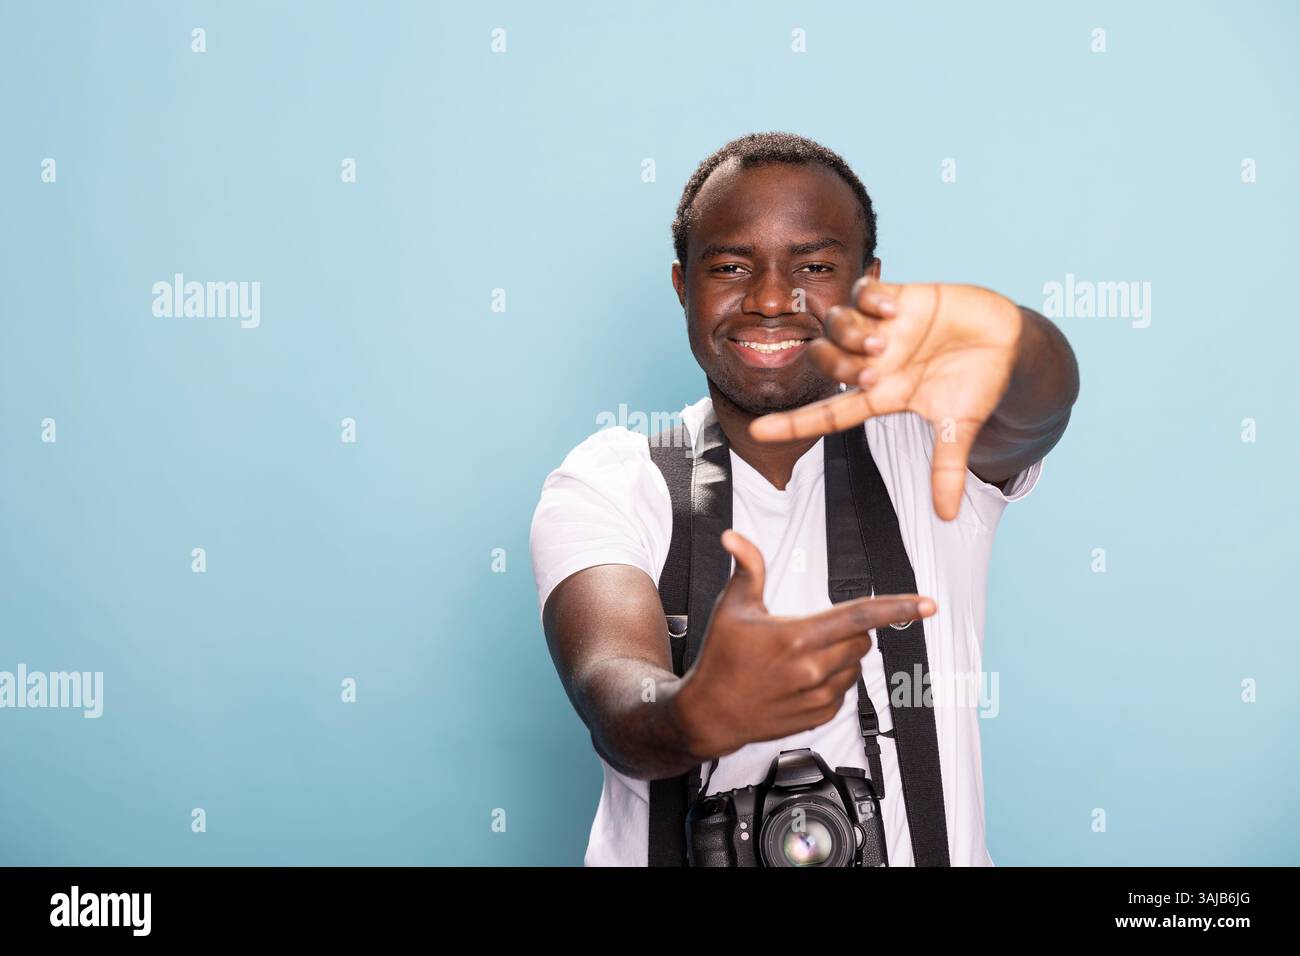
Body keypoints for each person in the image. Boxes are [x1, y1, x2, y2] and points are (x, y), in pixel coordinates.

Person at [529, 131, 1080, 866]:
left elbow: (1037, 408)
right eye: (730, 266)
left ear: (868, 283)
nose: (768, 300)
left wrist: (1016, 341)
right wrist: (690, 715)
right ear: (681, 286)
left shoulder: (925, 444)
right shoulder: (611, 480)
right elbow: (612, 691)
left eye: (814, 266)